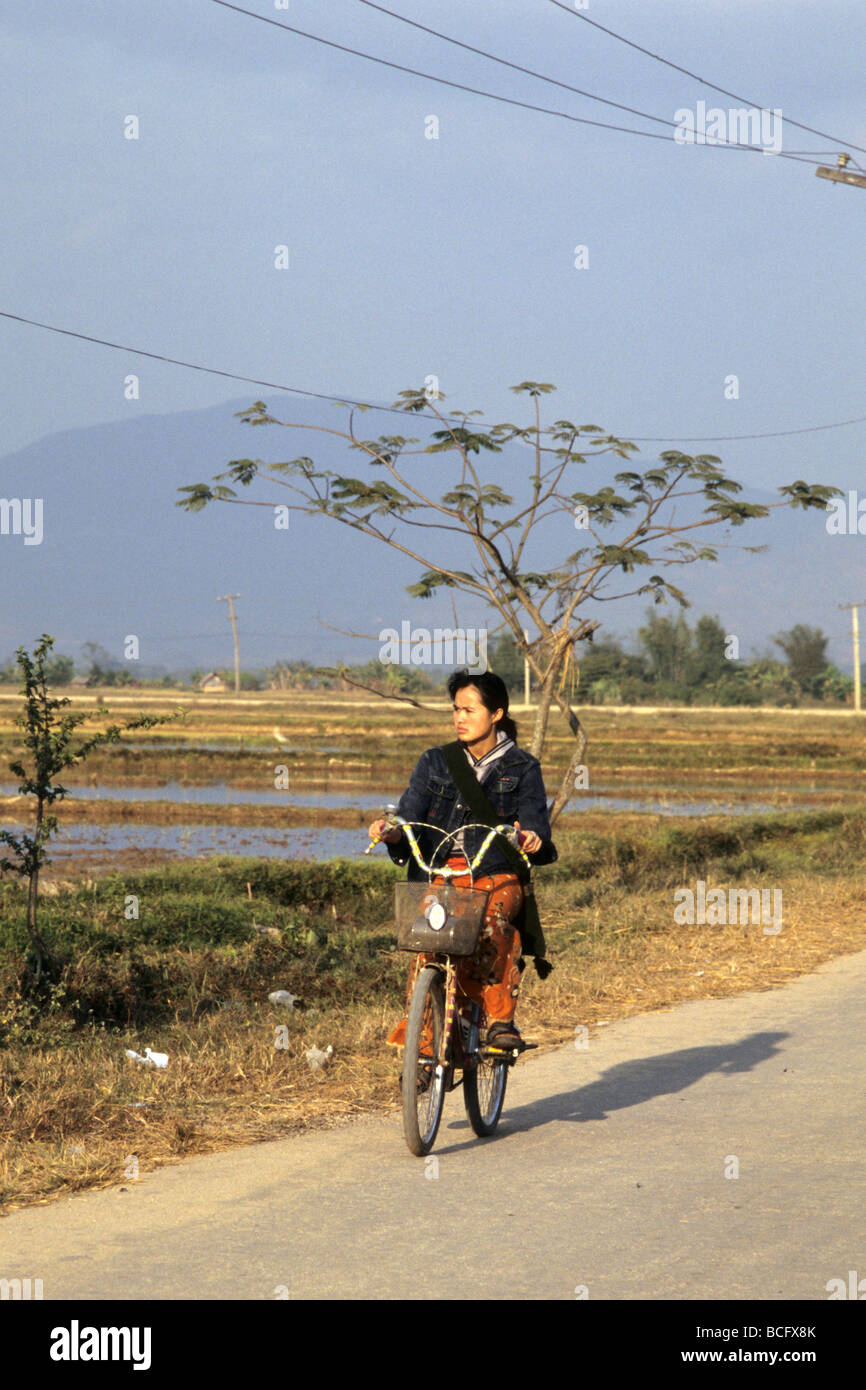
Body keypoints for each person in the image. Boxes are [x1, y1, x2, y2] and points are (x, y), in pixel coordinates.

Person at [367, 668, 557, 1052]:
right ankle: (422, 1049)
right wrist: (391, 832)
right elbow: (408, 819)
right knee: (428, 941)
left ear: (496, 714)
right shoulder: (435, 761)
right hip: (440, 873)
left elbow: (536, 826)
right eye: (456, 709)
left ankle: (500, 1022)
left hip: (494, 872)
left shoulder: (522, 767)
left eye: (469, 710)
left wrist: (531, 838)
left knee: (490, 924)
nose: (459, 718)